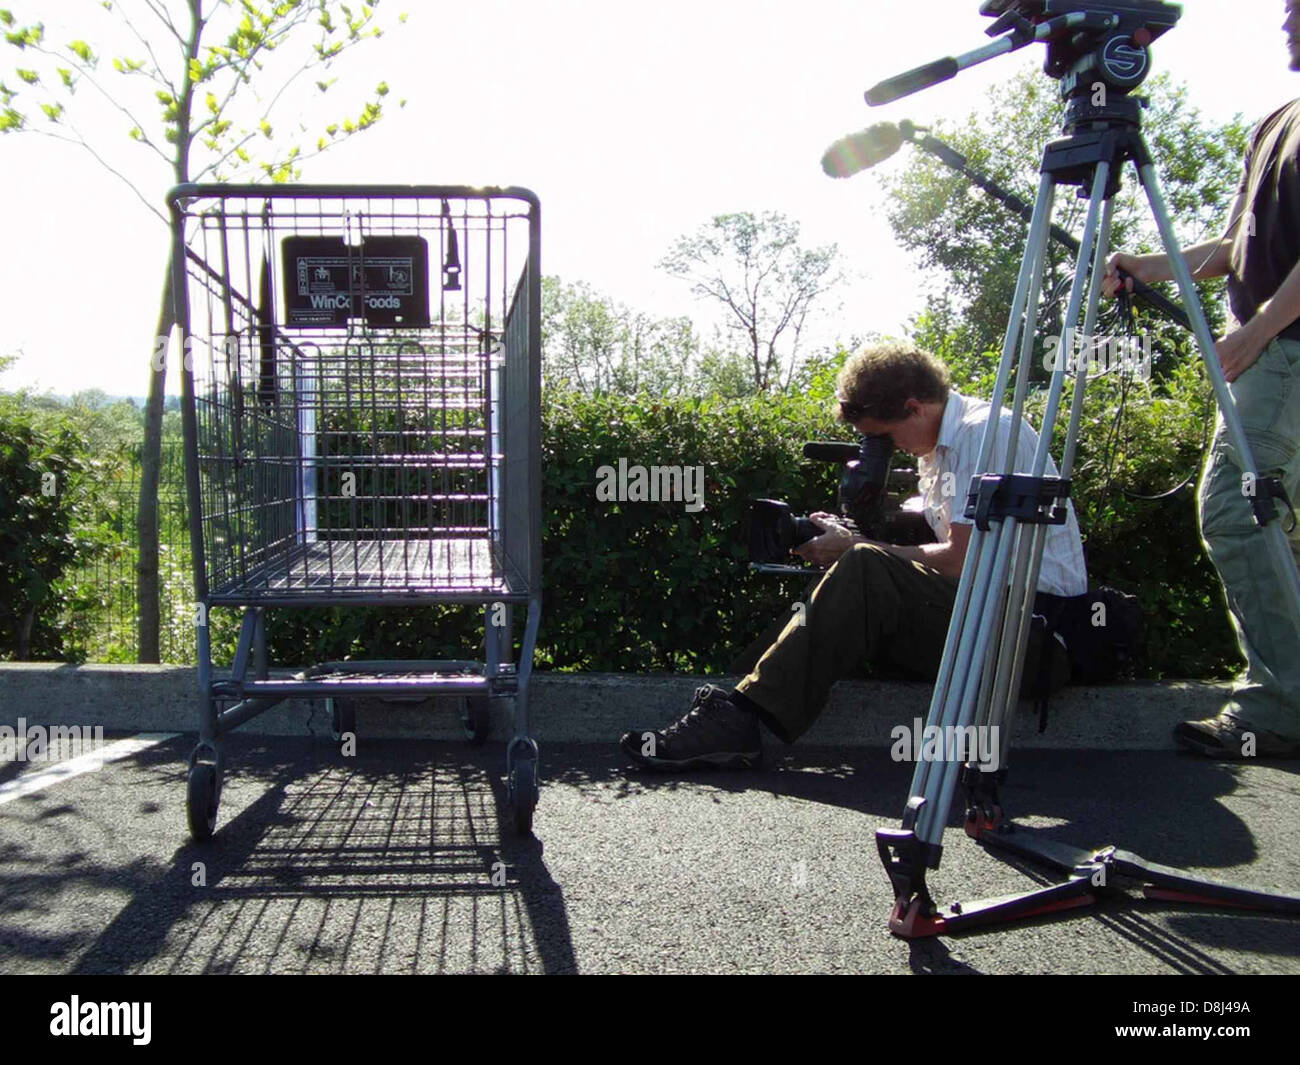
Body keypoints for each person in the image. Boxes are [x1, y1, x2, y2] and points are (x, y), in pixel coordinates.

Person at [619, 342, 1088, 770]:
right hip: (991, 623)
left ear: (912, 405)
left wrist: (858, 548)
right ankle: (735, 705)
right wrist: (847, 536)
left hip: (1032, 641)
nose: (886, 450)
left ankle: (737, 720)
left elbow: (960, 562)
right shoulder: (945, 445)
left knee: (863, 566)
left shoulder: (984, 435)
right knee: (855, 567)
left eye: (884, 437)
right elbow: (937, 556)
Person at [1101, 1, 1300, 759]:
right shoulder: (1275, 121)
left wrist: (1258, 328)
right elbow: (1236, 245)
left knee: (1237, 510)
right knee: (1268, 521)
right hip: (1274, 348)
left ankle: (1279, 706)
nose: (1285, 20)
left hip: (1283, 351)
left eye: (1296, 9)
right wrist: (1153, 266)